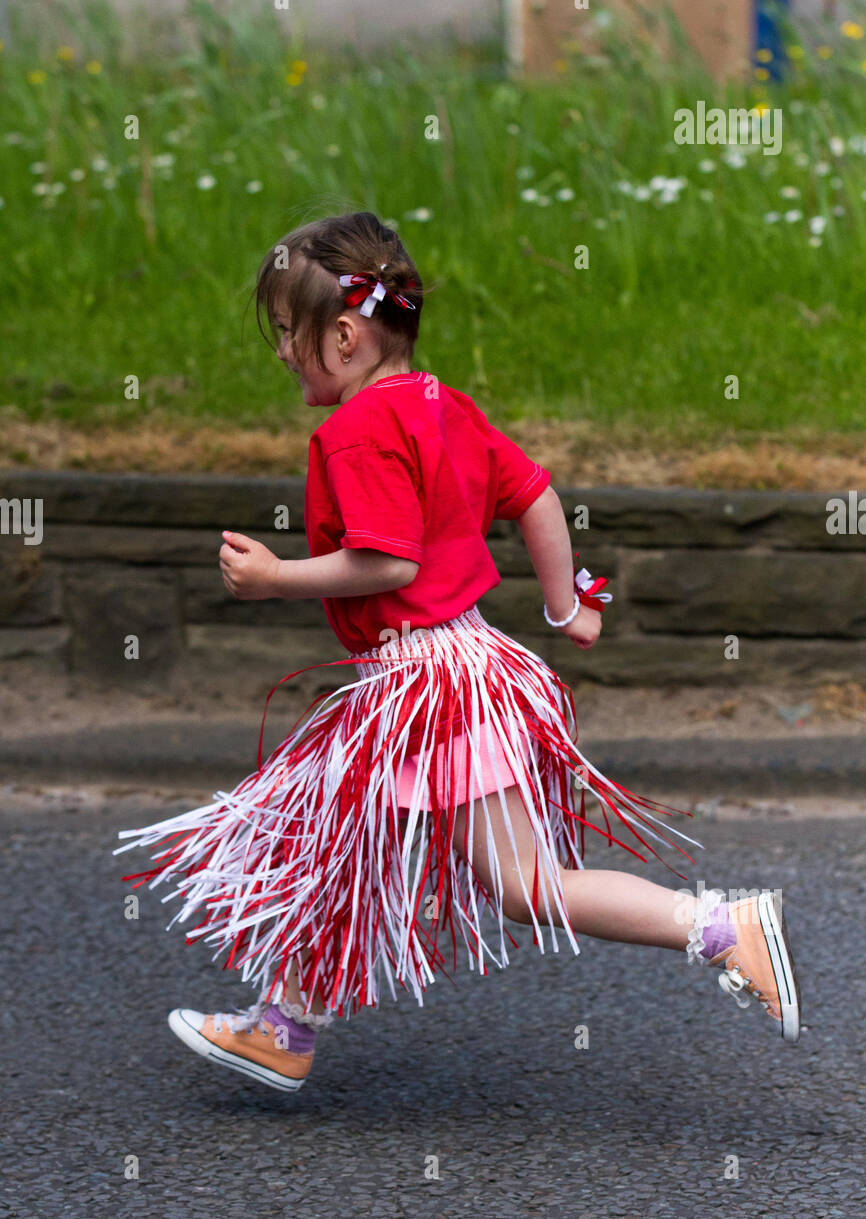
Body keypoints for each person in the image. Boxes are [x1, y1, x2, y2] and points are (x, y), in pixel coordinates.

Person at [114, 210, 800, 1094]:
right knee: (341, 848)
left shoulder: (355, 431)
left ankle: (718, 927)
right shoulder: (445, 405)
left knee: (524, 884)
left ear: (348, 335)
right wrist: (565, 607)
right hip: (454, 669)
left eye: (291, 332)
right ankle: (283, 1026)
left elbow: (387, 559)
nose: (283, 350)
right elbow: (536, 495)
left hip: (430, 686)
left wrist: (277, 575)